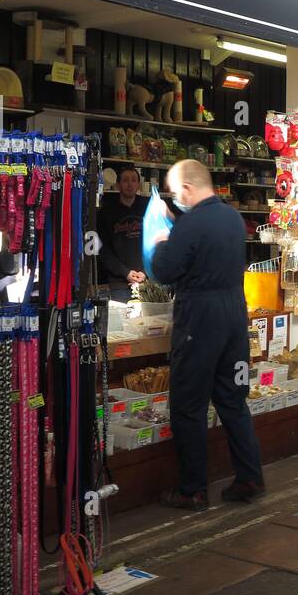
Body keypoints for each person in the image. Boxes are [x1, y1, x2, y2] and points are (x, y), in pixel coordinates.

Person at [150, 159, 265, 510]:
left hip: (199, 318)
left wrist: (160, 241)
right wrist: (177, 227)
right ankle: (249, 477)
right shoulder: (231, 218)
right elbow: (204, 247)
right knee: (232, 399)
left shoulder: (191, 224)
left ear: (186, 189)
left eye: (175, 191)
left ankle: (193, 489)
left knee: (188, 404)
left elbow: (165, 271)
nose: (176, 198)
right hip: (234, 313)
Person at [97, 166, 147, 301]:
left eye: (134, 180)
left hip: (146, 281)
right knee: (122, 322)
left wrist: (145, 272)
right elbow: (103, 250)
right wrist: (125, 273)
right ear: (118, 185)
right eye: (125, 180)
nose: (130, 184)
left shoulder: (149, 207)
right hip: (119, 283)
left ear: (139, 185)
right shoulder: (105, 213)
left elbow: (157, 244)